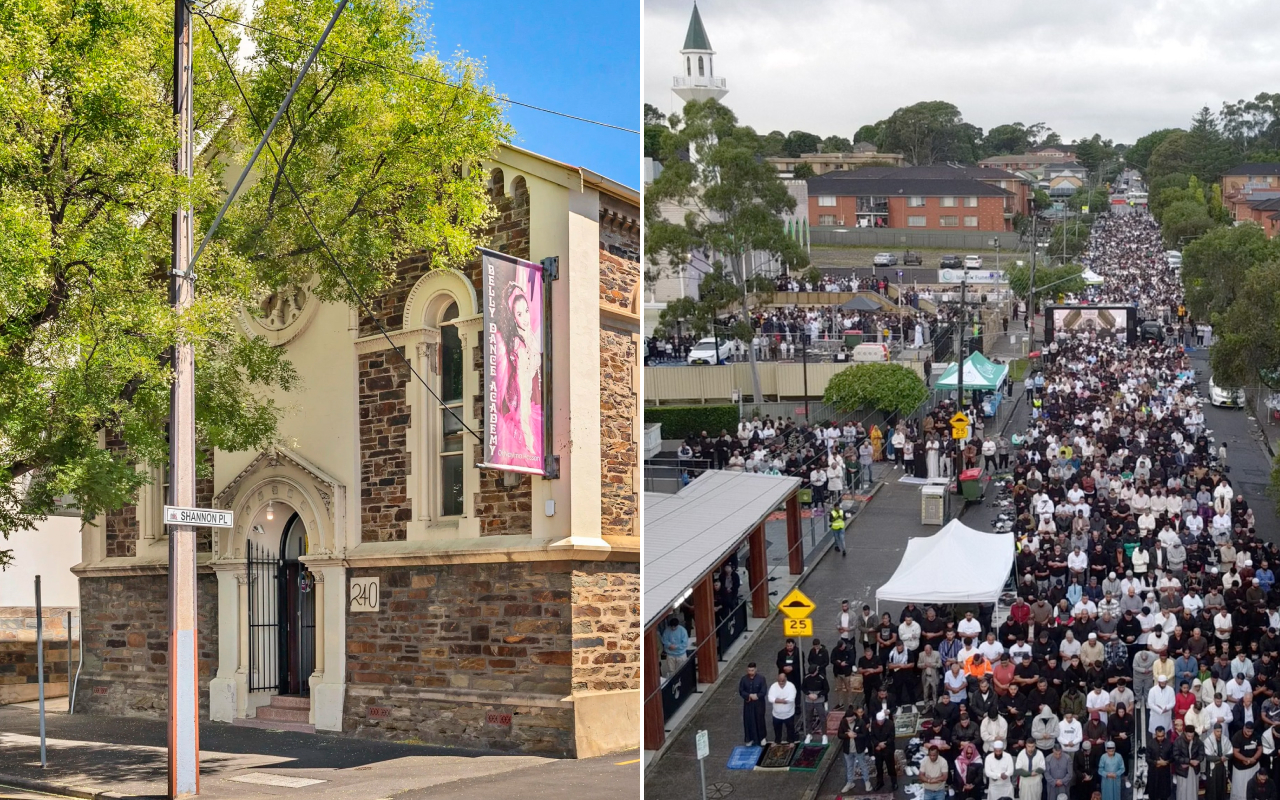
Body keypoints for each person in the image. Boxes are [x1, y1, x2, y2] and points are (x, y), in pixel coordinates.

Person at [839, 704, 873, 794]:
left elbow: (865, 734)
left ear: (854, 716)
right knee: (849, 766)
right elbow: (839, 735)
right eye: (848, 719)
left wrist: (856, 735)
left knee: (863, 765)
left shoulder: (860, 722)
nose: (849, 720)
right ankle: (849, 782)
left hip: (859, 749)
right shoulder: (843, 722)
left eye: (850, 719)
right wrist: (847, 735)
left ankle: (867, 781)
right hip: (848, 749)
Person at [739, 662, 768, 746]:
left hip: (759, 703)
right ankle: (750, 738)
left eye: (752, 670)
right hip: (748, 703)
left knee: (760, 719)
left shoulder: (761, 678)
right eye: (749, 670)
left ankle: (762, 737)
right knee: (748, 720)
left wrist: (757, 696)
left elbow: (763, 691)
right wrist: (748, 695)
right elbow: (741, 691)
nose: (750, 672)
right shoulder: (744, 679)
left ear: (755, 670)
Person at [801, 662, 830, 745]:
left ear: (816, 671)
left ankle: (824, 735)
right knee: (808, 717)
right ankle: (809, 734)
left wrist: (818, 695)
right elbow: (803, 687)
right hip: (809, 698)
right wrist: (808, 694)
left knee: (822, 717)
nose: (811, 675)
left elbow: (826, 689)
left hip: (819, 699)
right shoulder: (806, 677)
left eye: (813, 673)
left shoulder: (822, 677)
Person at [1173, 725, 1204, 800]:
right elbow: (1176, 756)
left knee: (1193, 790)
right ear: (1185, 733)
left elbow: (1202, 755)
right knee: (1182, 791)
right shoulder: (1178, 741)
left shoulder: (1198, 742)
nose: (1190, 738)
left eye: (1192, 736)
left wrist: (1197, 761)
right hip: (1182, 770)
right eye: (1188, 736)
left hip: (1194, 769)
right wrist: (1189, 761)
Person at [768, 671, 799, 744]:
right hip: (776, 715)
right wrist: (783, 700)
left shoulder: (791, 686)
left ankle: (791, 741)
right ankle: (777, 741)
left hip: (789, 714)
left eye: (783, 681)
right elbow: (770, 698)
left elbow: (791, 698)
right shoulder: (773, 686)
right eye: (779, 681)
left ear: (786, 679)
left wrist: (777, 700)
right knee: (777, 730)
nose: (781, 683)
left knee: (790, 729)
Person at [1206, 723, 1234, 800]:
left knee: (1222, 786)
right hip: (1213, 768)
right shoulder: (1208, 741)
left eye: (1220, 731)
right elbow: (1208, 756)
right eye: (1217, 731)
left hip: (1223, 767)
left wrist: (1225, 757)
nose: (1219, 733)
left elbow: (1231, 753)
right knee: (1212, 788)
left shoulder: (1225, 739)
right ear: (1214, 731)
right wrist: (1220, 759)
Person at [871, 709, 897, 791]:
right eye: (879, 721)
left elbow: (892, 737)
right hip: (878, 749)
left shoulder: (890, 724)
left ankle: (894, 782)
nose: (880, 722)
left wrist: (884, 744)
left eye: (881, 721)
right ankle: (880, 782)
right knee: (878, 767)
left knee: (891, 766)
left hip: (888, 749)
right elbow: (872, 736)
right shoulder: (873, 724)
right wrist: (877, 744)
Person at [1148, 726, 1175, 800]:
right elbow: (1147, 758)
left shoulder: (1169, 743)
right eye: (1158, 736)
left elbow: (1173, 757)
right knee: (1153, 792)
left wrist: (1166, 762)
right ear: (1155, 735)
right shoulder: (1151, 743)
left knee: (1164, 793)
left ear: (1165, 734)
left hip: (1164, 773)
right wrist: (1156, 762)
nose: (1160, 738)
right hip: (1154, 772)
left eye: (1162, 736)